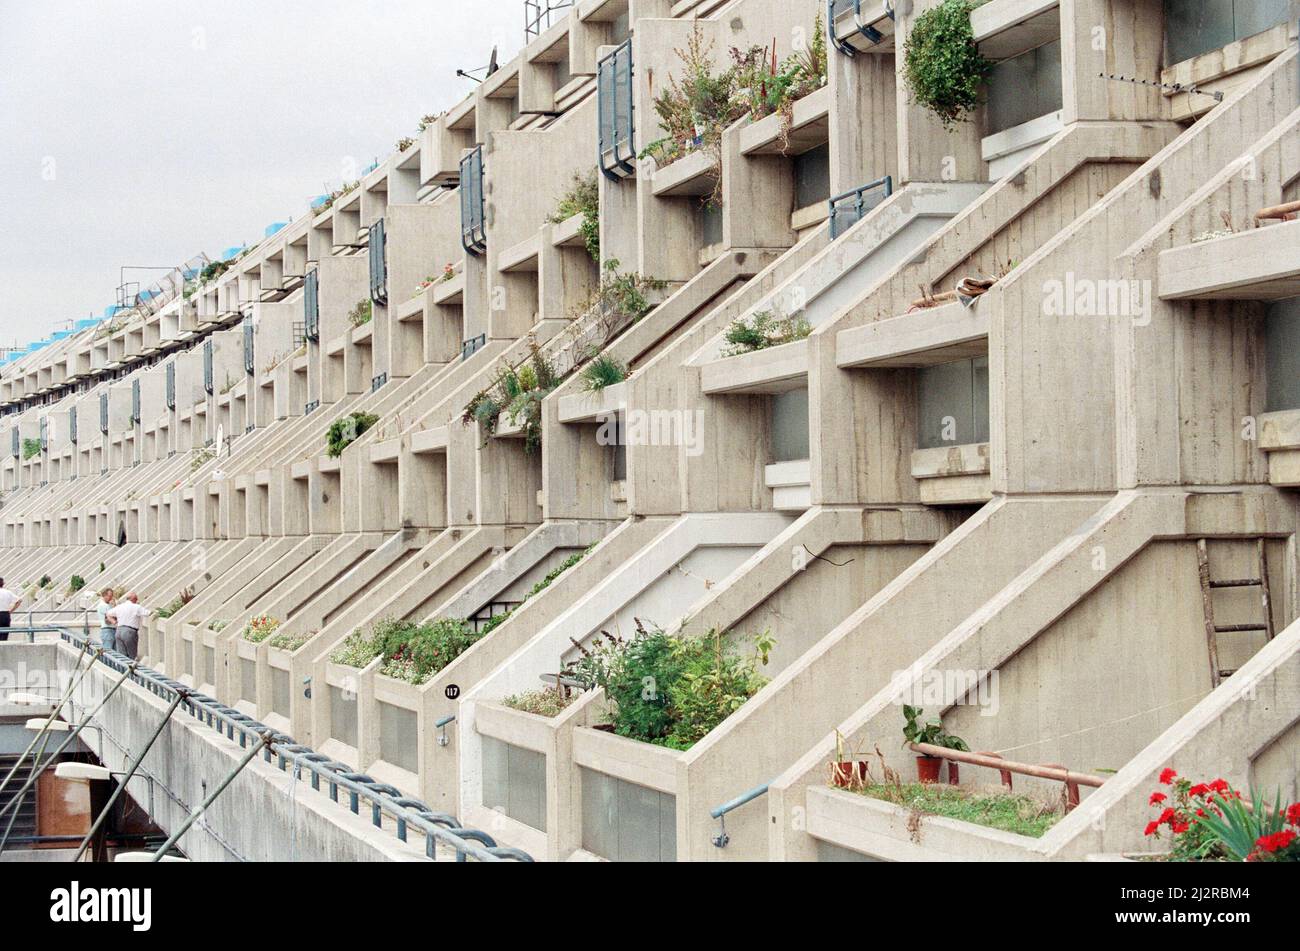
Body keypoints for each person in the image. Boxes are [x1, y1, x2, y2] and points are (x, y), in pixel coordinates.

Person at [107, 591, 148, 660]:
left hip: (119, 631)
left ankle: (122, 670)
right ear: (134, 599)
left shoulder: (120, 606)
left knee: (121, 656)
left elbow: (108, 613)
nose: (137, 601)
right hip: (129, 631)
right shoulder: (136, 607)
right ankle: (131, 669)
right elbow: (148, 613)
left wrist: (114, 622)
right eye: (136, 599)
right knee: (132, 655)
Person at [94, 588, 118, 652]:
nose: (111, 598)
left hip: (112, 630)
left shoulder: (108, 605)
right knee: (108, 651)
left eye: (112, 596)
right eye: (110, 596)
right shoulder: (103, 606)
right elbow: (108, 620)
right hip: (108, 630)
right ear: (104, 595)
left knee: (114, 652)